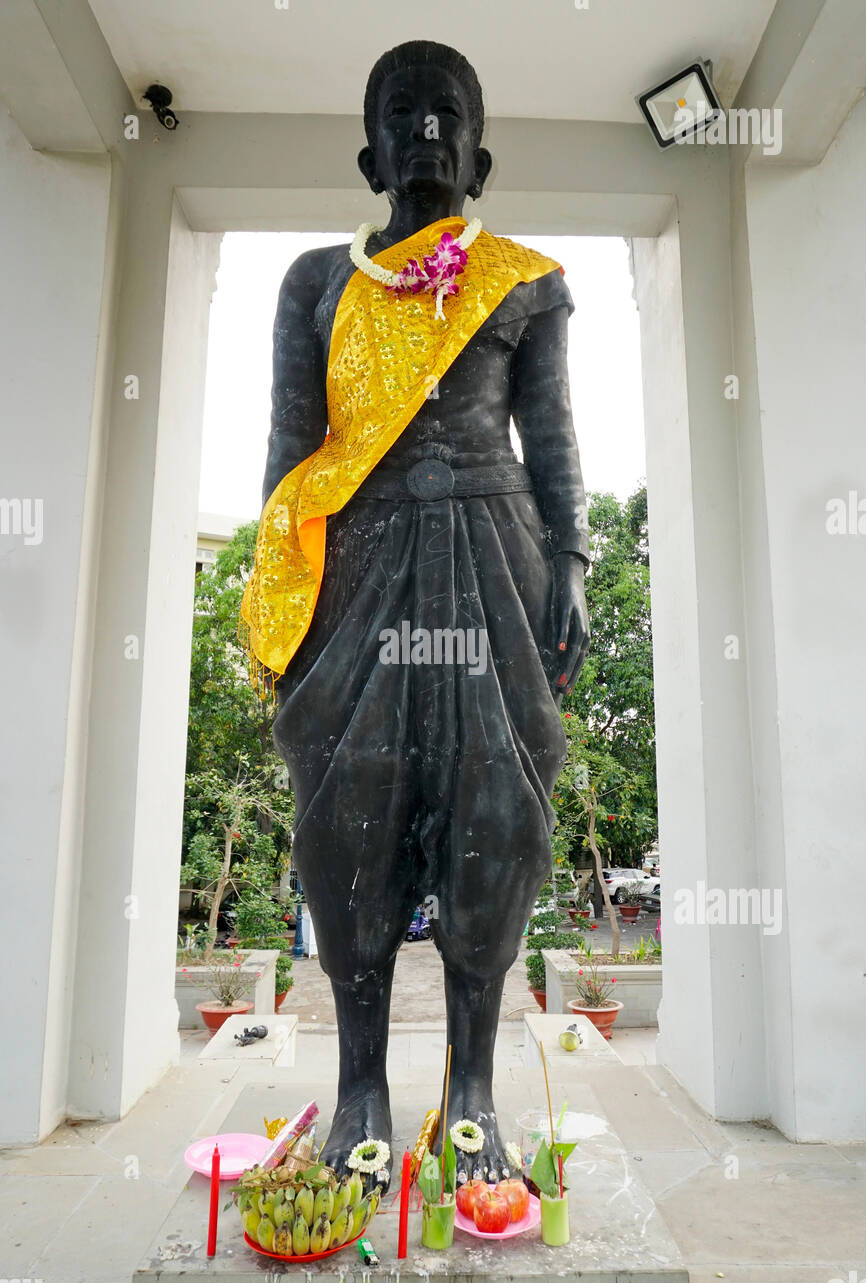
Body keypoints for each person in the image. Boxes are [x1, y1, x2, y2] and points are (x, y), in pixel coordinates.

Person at [242, 40, 590, 1182]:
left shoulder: (523, 280)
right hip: (360, 567)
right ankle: (357, 1091)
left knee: (494, 810)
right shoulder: (313, 284)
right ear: (369, 151)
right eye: (404, 113)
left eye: (447, 114)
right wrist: (281, 607)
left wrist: (574, 566)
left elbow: (554, 446)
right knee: (352, 816)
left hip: (498, 559)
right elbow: (291, 458)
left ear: (479, 158)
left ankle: (475, 1089)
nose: (426, 130)